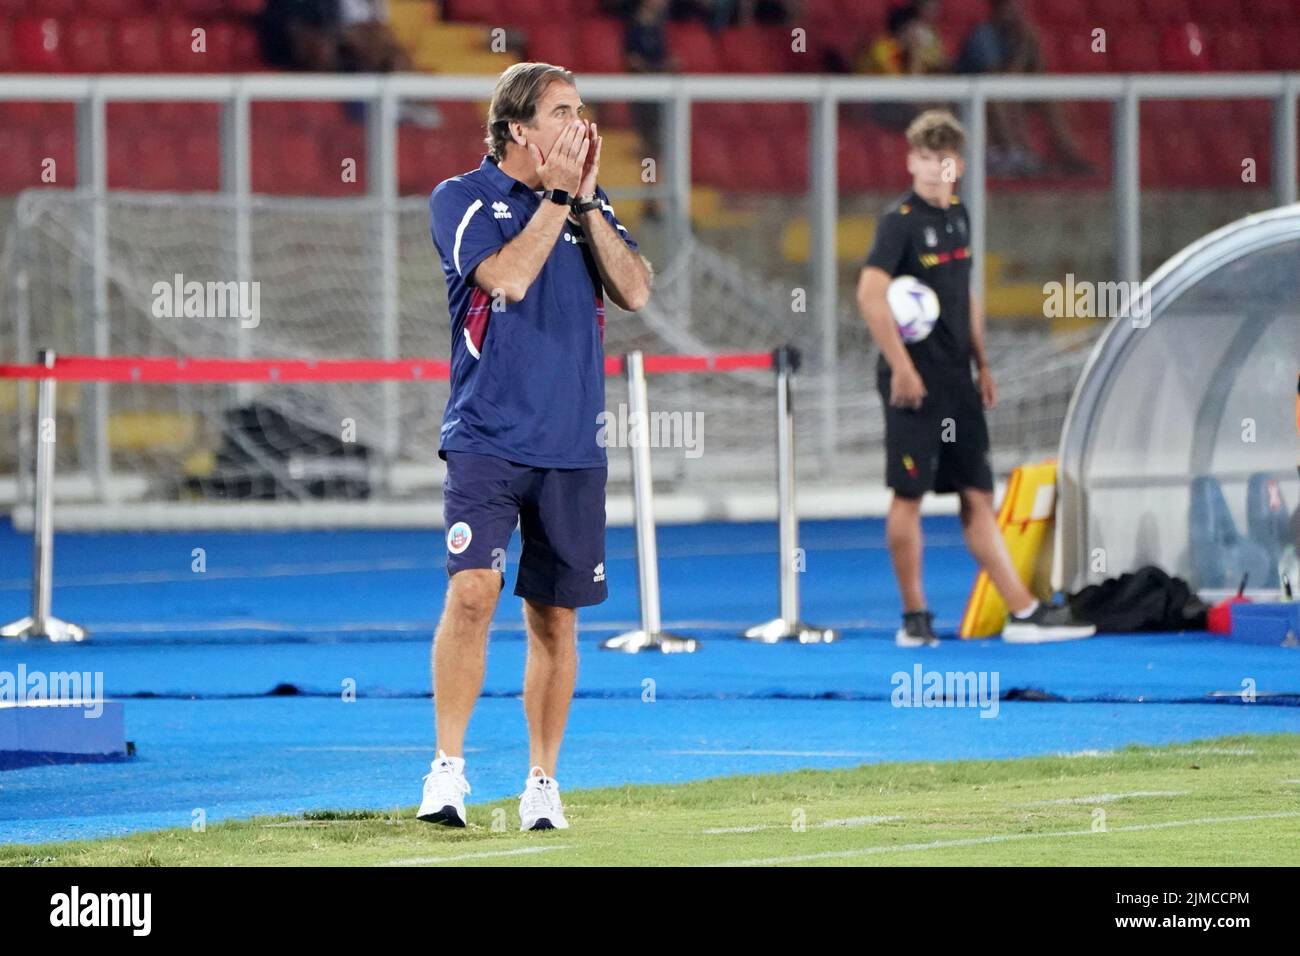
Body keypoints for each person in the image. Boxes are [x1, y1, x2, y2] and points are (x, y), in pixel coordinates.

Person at [421, 63, 651, 830]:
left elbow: (638, 288)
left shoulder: (589, 203)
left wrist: (582, 201)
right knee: (473, 591)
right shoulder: (461, 199)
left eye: (582, 110)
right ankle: (448, 772)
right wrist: (557, 199)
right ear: (520, 129)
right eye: (563, 111)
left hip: (573, 445)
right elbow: (508, 279)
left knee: (556, 618)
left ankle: (542, 783)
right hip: (487, 436)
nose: (580, 125)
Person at [855, 109, 1095, 645]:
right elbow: (870, 297)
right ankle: (915, 619)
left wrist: (981, 364)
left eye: (939, 159)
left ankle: (1023, 612)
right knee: (907, 497)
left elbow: (965, 296)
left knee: (977, 496)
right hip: (912, 386)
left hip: (958, 382)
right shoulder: (899, 222)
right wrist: (902, 368)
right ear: (910, 160)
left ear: (956, 165)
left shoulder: (960, 216)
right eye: (920, 157)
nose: (928, 168)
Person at [955, 0, 1093, 176]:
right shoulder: (983, 35)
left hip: (1008, 93)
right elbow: (1000, 79)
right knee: (999, 100)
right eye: (1011, 8)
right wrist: (1022, 50)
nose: (1016, 13)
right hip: (974, 99)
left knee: (1047, 98)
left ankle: (1069, 154)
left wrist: (1033, 45)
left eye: (1018, 8)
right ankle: (1020, 155)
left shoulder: (1018, 35)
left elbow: (1038, 72)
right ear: (999, 10)